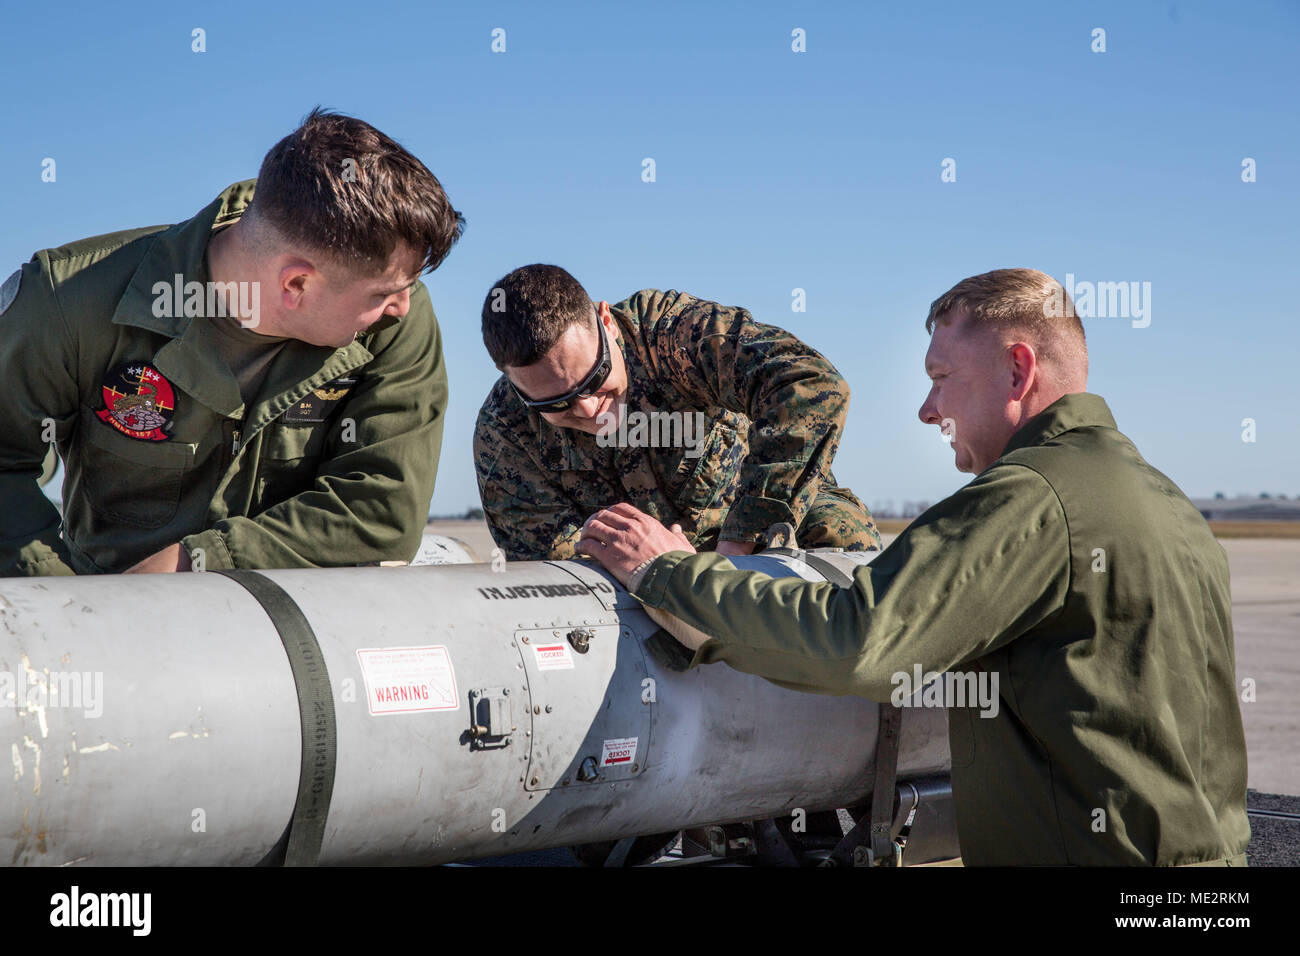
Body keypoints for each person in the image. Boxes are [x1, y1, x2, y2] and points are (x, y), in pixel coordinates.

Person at [577, 268, 1251, 867]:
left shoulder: (1031, 500)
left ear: (1017, 370)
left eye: (940, 380)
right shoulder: (1167, 503)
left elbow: (860, 639)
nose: (929, 411)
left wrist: (669, 573)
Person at [0, 108, 464, 576]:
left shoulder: (387, 316)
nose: (402, 306)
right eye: (385, 293)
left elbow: (383, 508)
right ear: (296, 285)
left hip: (301, 621)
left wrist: (192, 567)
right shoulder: (69, 302)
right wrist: (67, 605)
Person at [474, 264, 879, 561]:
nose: (589, 409)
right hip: (633, 570)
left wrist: (736, 547)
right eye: (555, 404)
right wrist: (669, 571)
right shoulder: (505, 434)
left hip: (754, 535)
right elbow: (554, 559)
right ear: (511, 381)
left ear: (606, 322)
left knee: (843, 537)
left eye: (595, 379)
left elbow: (810, 385)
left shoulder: (669, 335)